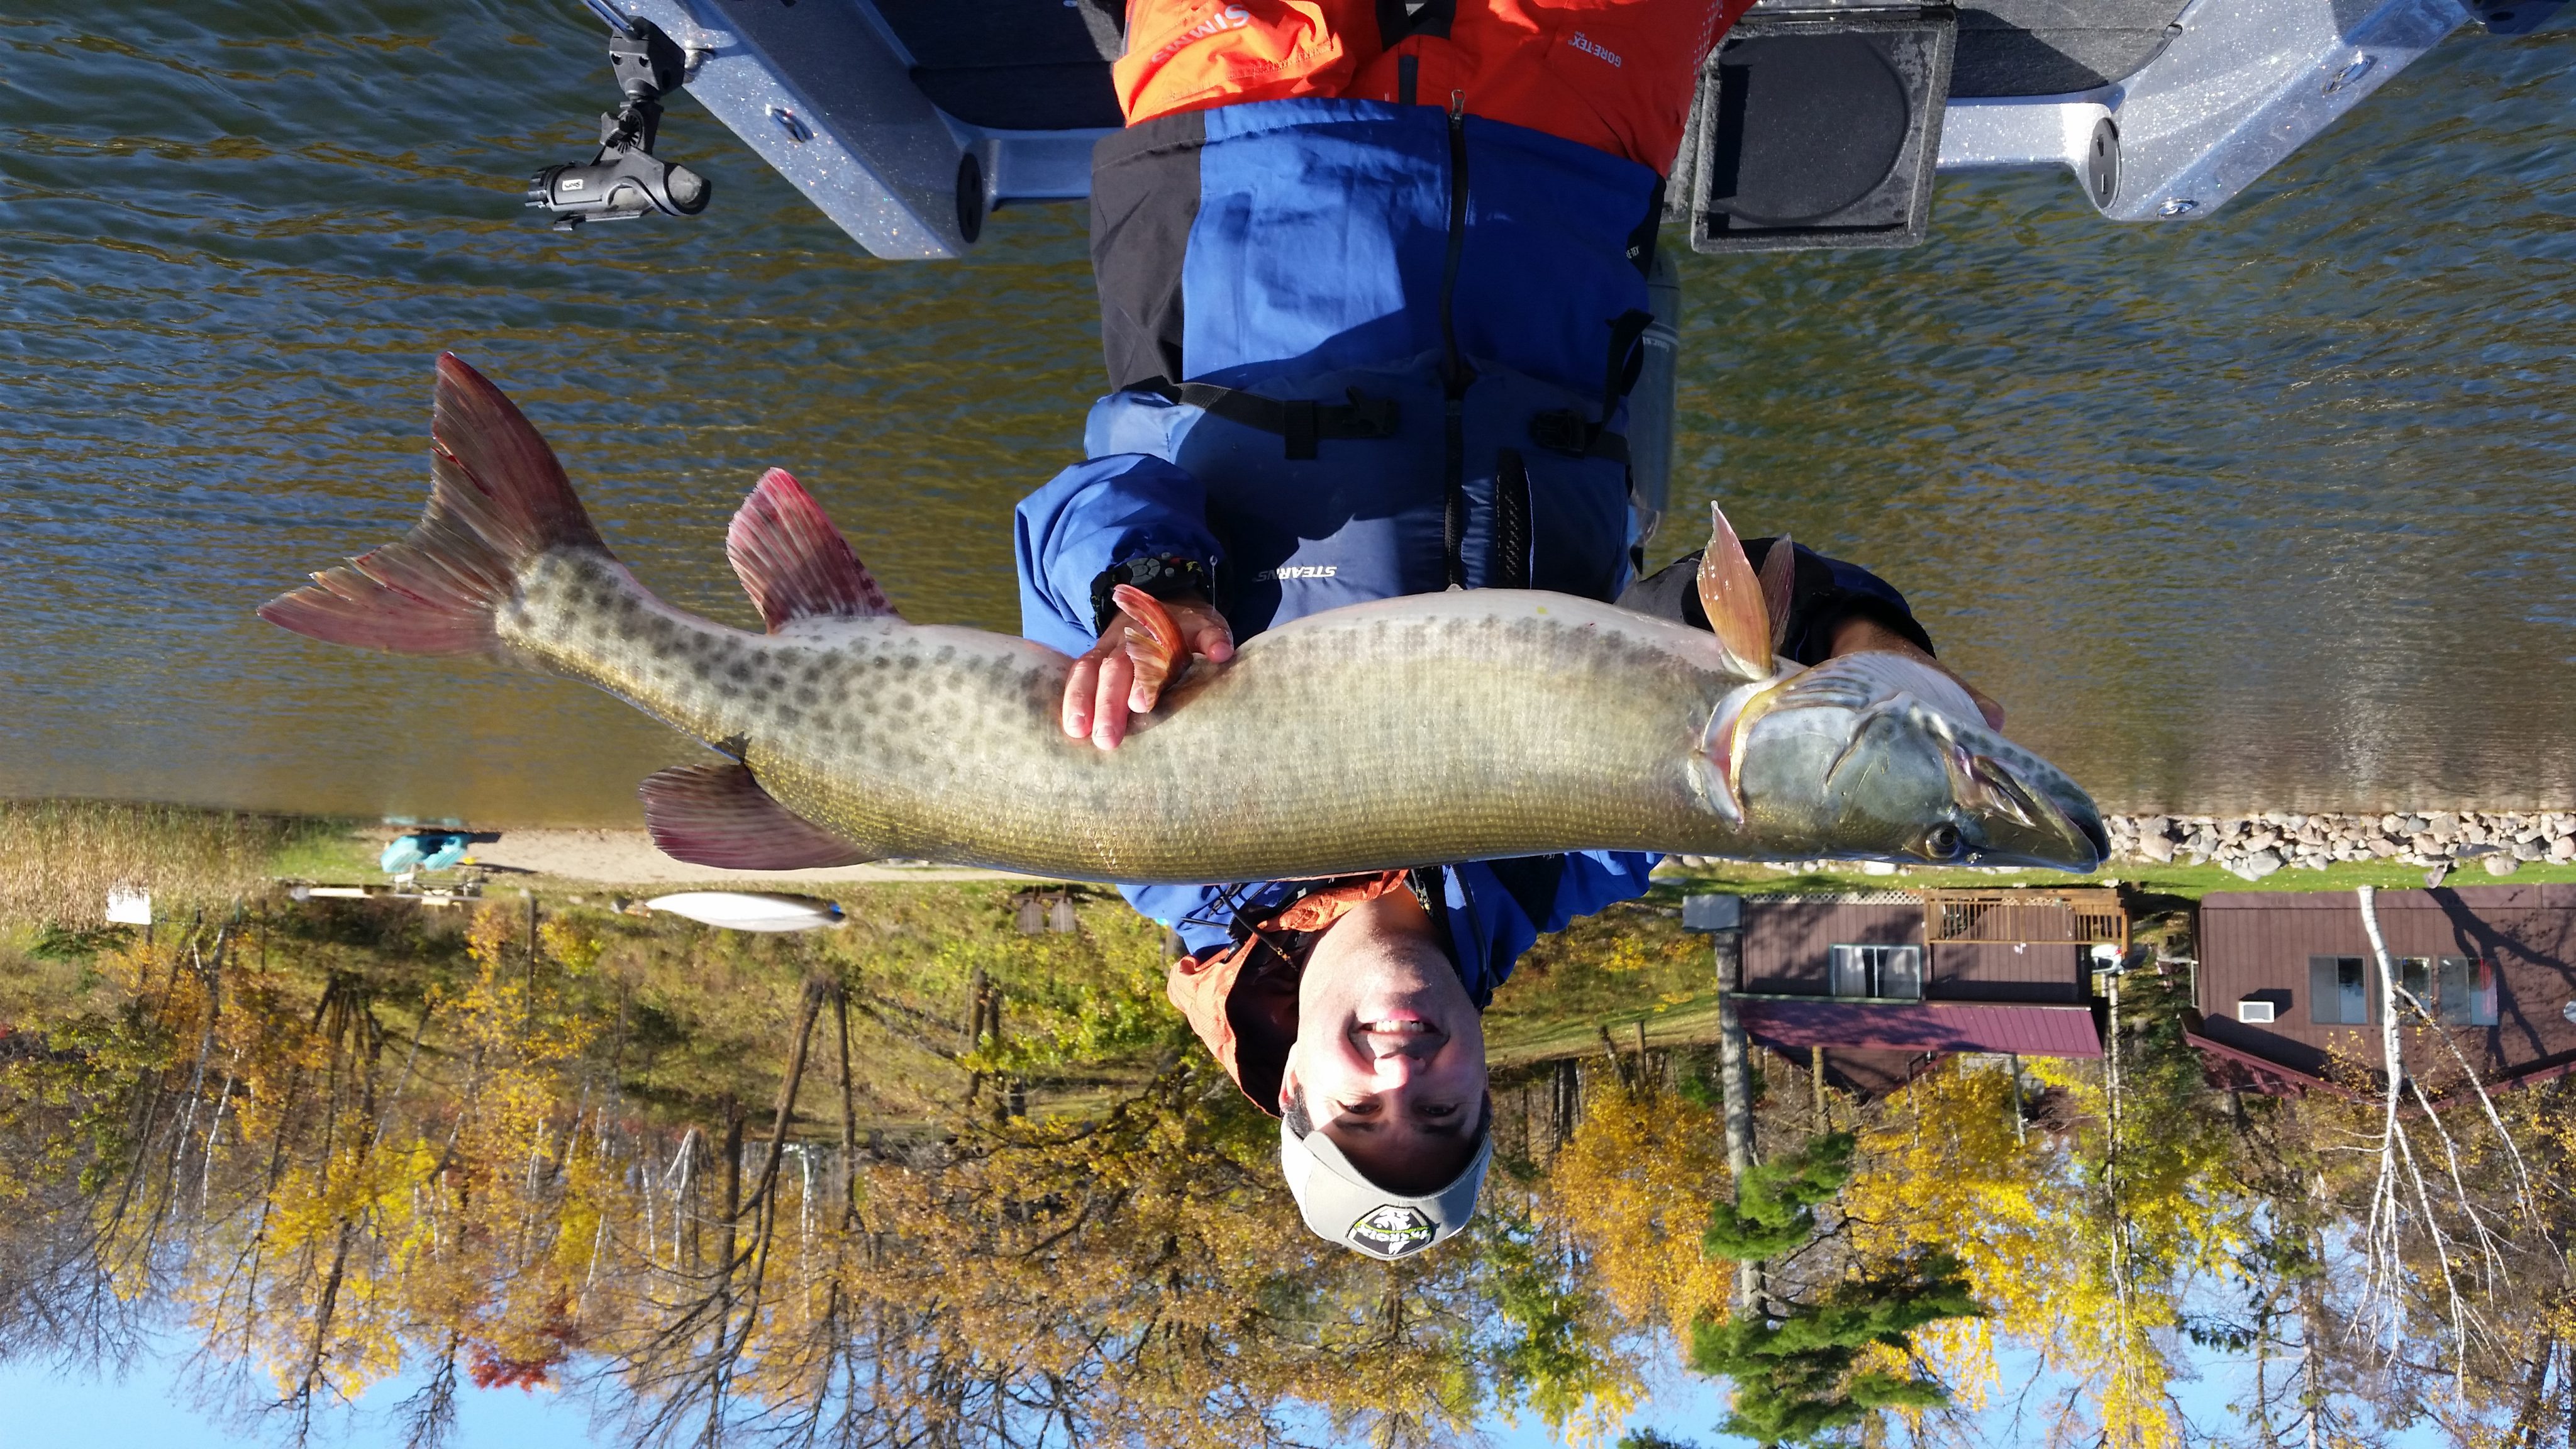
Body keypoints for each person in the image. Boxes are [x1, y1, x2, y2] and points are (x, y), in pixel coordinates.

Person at [1014, 0, 1994, 1259]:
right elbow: (1712, 613)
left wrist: (1145, 591)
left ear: (1293, 1088)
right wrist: (1865, 640)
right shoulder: (1582, 854)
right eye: (1443, 1110)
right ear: (1485, 1076)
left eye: (1361, 1112)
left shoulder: (1141, 837)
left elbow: (1072, 514)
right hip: (1558, 176)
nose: (1401, 1074)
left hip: (1243, 145)